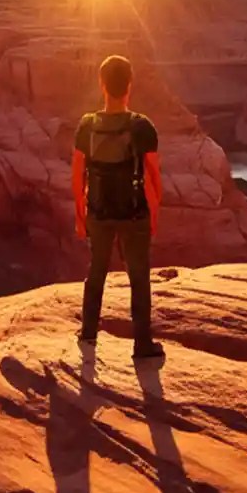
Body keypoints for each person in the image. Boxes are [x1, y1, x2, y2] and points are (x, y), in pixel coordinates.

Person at [71, 55, 165, 359]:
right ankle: (142, 345)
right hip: (133, 212)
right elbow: (154, 176)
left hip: (98, 211)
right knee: (139, 277)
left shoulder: (87, 125)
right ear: (129, 86)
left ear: (102, 84)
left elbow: (76, 175)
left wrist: (80, 215)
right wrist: (154, 213)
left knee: (96, 269)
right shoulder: (142, 127)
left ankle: (88, 332)